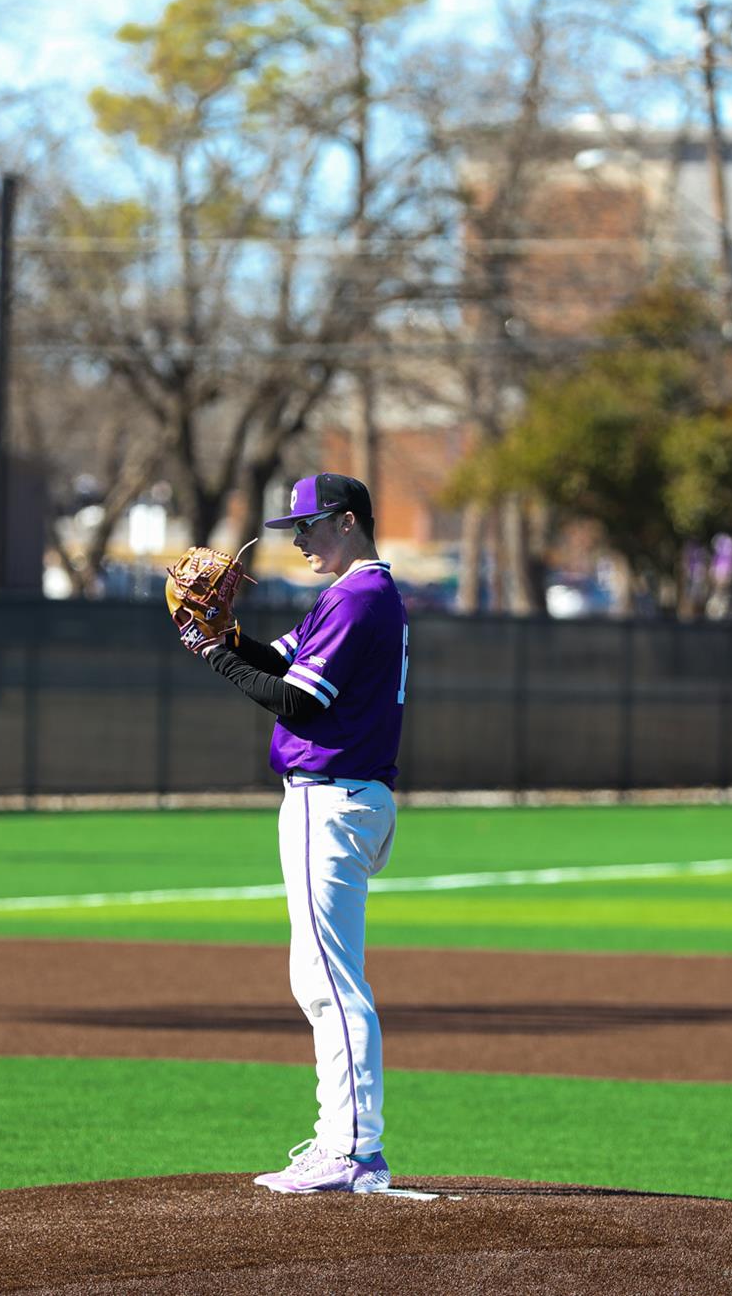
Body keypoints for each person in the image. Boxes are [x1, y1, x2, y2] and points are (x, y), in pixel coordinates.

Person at [191, 472, 408, 1193]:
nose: (300, 538)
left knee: (329, 982)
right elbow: (280, 661)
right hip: (347, 796)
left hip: (332, 797)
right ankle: (342, 1141)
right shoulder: (354, 595)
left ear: (347, 521)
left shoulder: (357, 597)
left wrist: (209, 652)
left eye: (309, 525)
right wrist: (227, 637)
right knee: (319, 978)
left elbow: (294, 700)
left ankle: (351, 1148)